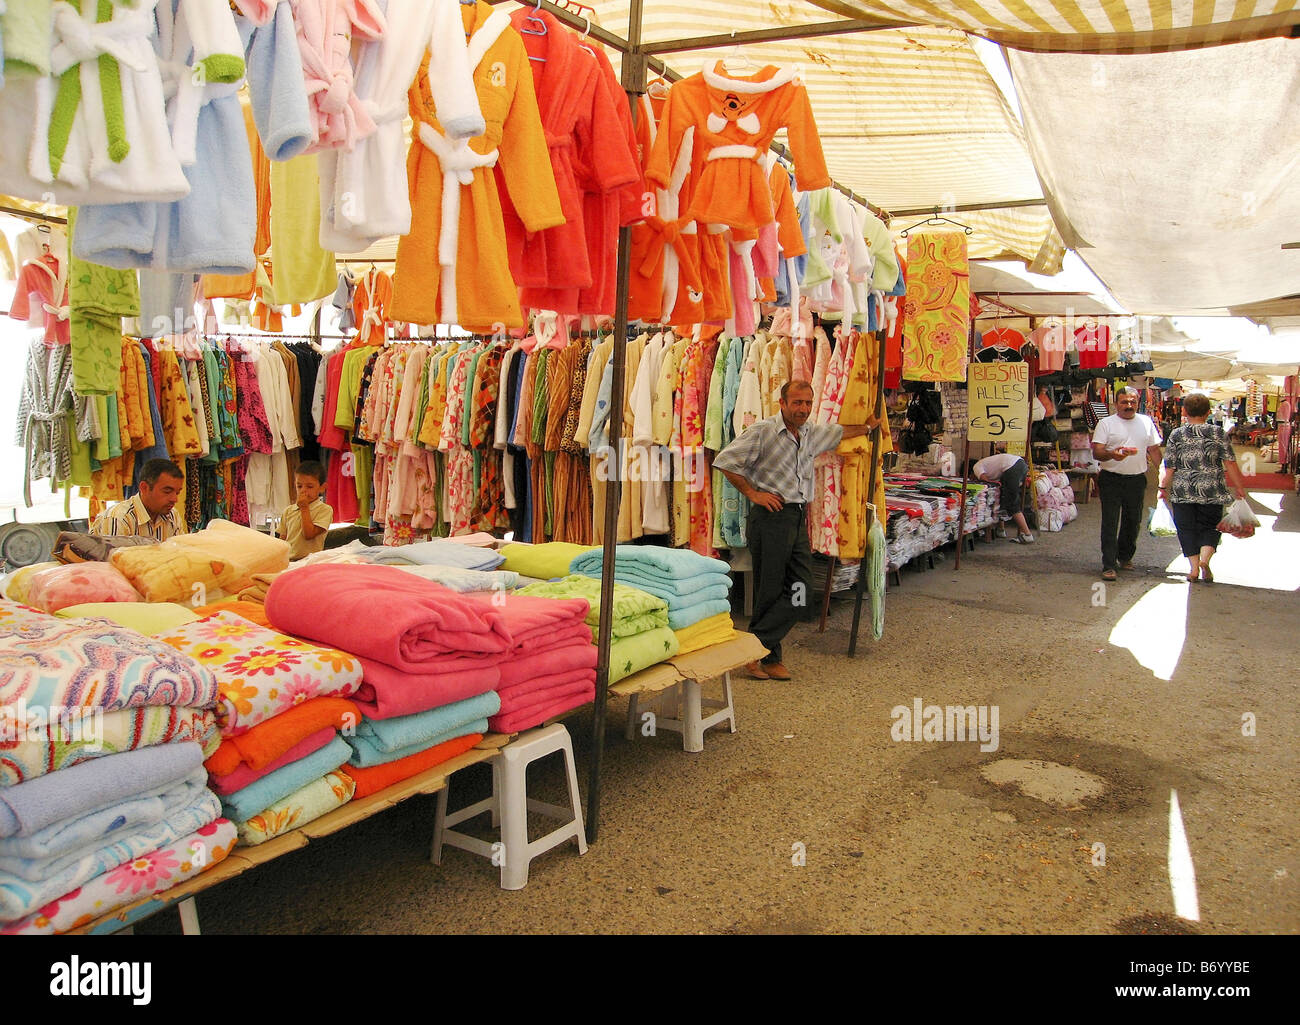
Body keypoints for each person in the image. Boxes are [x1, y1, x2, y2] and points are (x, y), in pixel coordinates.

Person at [713, 379, 872, 680]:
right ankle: (769, 659)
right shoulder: (763, 431)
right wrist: (753, 493)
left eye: (808, 403)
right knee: (769, 591)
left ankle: (755, 647)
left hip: (797, 518)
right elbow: (726, 461)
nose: (803, 409)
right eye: (797, 402)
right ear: (782, 403)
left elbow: (840, 431)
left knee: (800, 590)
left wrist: (867, 428)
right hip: (770, 517)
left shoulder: (811, 433)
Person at [1158, 392, 1248, 583]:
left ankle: (1193, 568)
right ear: (1208, 412)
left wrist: (1162, 487)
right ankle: (1205, 559)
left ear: (1184, 411)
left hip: (1183, 490)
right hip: (1212, 490)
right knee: (1210, 527)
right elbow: (1230, 463)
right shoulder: (1218, 433)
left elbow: (1170, 466)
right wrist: (1239, 487)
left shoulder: (1177, 434)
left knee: (1186, 528)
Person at [1091, 387, 1164, 580]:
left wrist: (1163, 472)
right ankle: (1108, 564)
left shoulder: (1146, 422)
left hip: (1137, 479)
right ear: (1116, 404)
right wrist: (1112, 454)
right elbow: (1097, 452)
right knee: (1110, 521)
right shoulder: (1106, 424)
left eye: (1132, 402)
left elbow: (1154, 450)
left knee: (1133, 521)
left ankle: (1125, 556)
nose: (1128, 406)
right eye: (1124, 402)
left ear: (1137, 402)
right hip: (1111, 478)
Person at [89, 458, 186, 541]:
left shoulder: (172, 516)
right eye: (167, 491)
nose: (174, 499)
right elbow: (114, 561)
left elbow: (178, 555)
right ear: (144, 487)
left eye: (177, 493)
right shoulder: (118, 518)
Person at [973, 451, 1033, 543]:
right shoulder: (988, 466)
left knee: (1012, 502)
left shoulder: (976, 466)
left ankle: (1027, 535)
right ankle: (1001, 530)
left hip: (1012, 467)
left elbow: (984, 478)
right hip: (1020, 464)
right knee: (1002, 498)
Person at [280, 461, 334, 561]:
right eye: (299, 486)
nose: (303, 490)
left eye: (310, 487)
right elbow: (282, 539)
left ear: (322, 488)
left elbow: (309, 534)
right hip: (289, 561)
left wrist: (304, 508)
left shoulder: (325, 510)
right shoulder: (288, 511)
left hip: (311, 561)